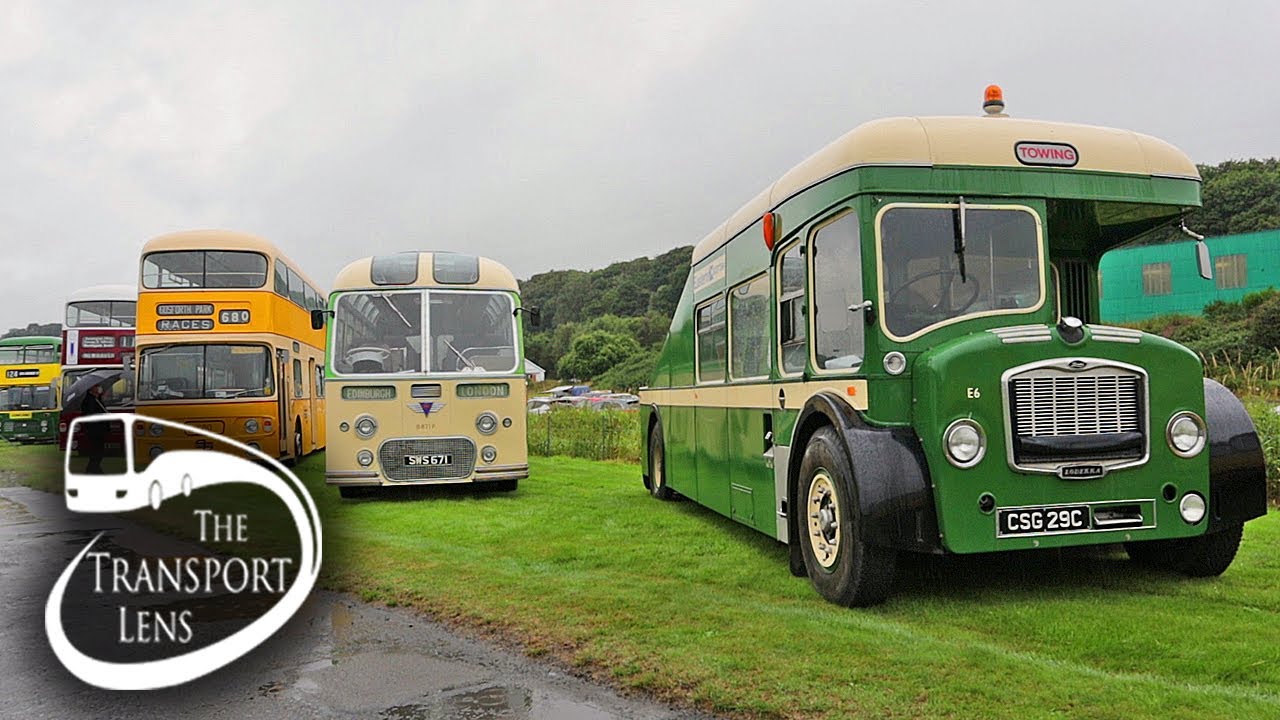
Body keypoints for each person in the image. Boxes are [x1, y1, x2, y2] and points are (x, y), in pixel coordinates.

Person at [80, 384, 109, 474]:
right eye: (97, 386)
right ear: (91, 389)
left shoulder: (97, 399)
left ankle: (94, 470)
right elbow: (91, 414)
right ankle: (93, 470)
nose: (99, 388)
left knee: (99, 452)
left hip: (99, 430)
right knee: (96, 452)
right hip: (94, 431)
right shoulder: (89, 400)